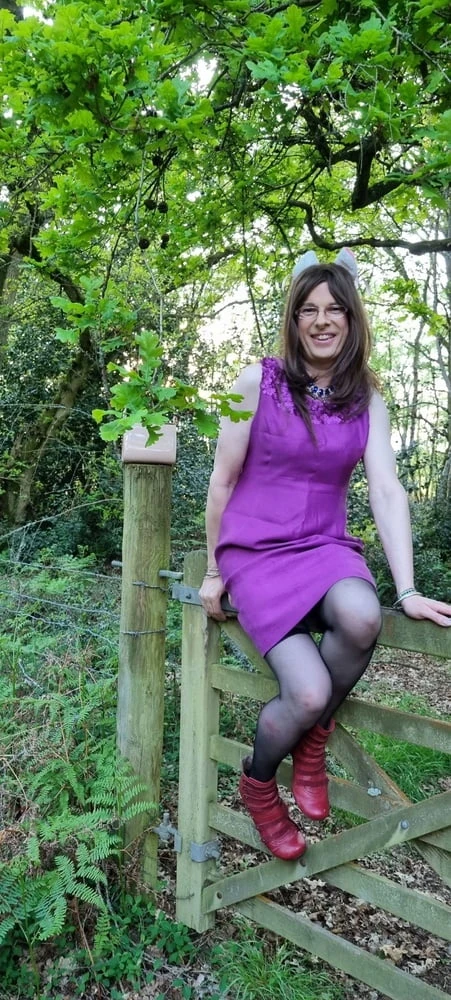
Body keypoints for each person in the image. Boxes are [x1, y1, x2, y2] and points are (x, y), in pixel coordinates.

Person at [199, 249, 451, 862]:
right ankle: (260, 784)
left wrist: (408, 588)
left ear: (352, 319)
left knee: (364, 617)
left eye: (335, 309)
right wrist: (212, 570)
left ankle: (311, 747)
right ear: (292, 318)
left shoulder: (367, 398)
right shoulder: (255, 382)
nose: (321, 320)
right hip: (256, 552)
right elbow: (222, 481)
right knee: (307, 692)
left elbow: (388, 489)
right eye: (308, 309)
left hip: (325, 545)